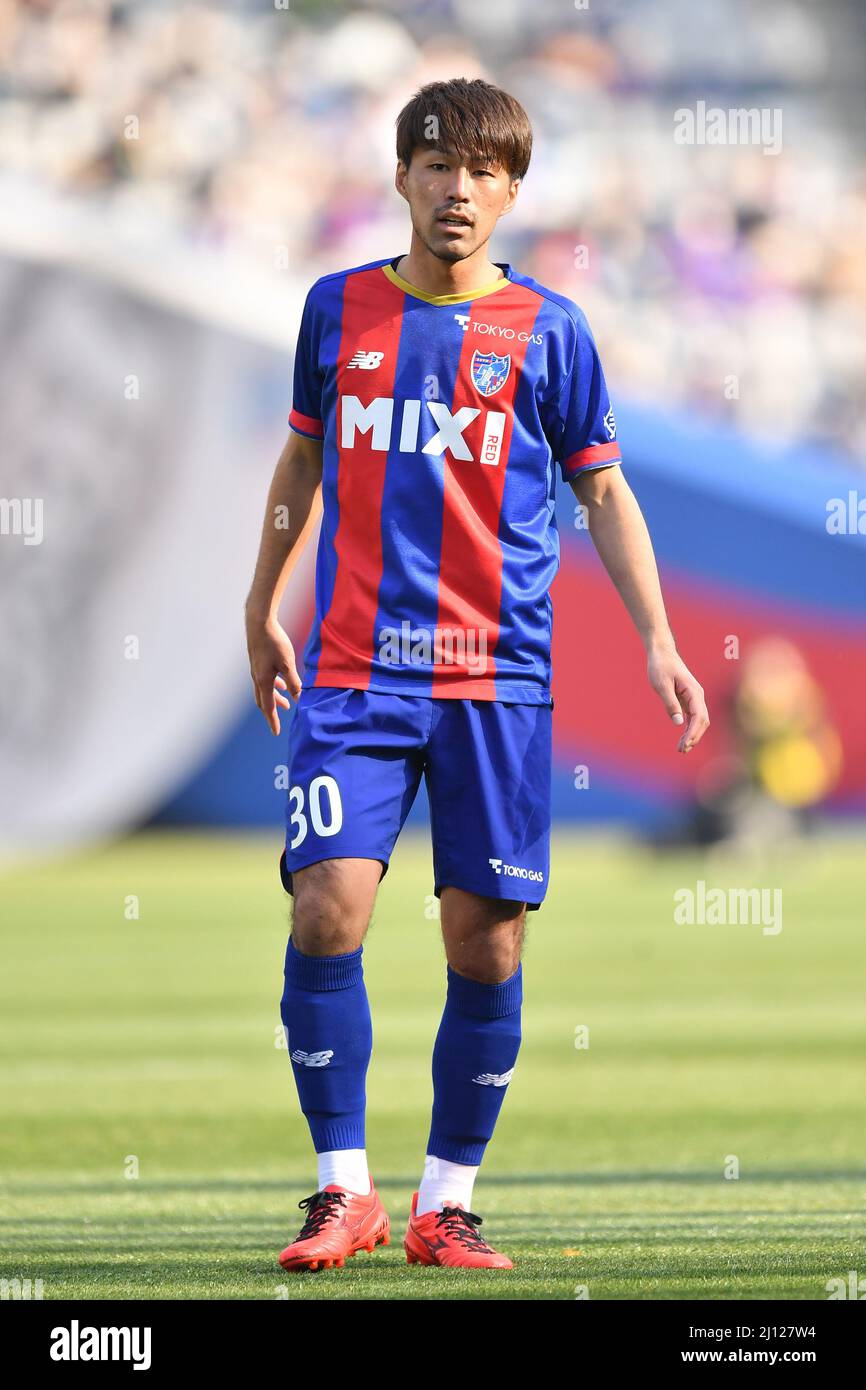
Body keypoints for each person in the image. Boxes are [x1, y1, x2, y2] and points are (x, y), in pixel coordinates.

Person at [244, 76, 709, 1274]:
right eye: (438, 165)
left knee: (484, 944)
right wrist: (262, 602)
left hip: (494, 679)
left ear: (511, 191)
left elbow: (602, 490)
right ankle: (340, 1191)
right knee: (325, 905)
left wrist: (657, 634)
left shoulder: (549, 331)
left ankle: (445, 1201)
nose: (458, 190)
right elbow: (301, 461)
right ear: (401, 176)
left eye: (485, 173)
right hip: (353, 674)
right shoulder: (335, 309)